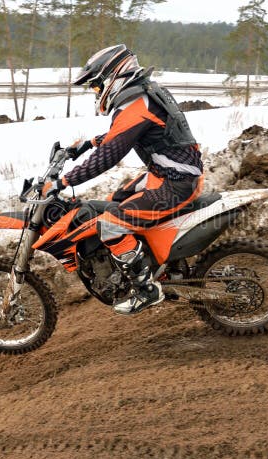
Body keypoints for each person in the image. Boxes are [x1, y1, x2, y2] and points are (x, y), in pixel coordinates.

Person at [43, 44, 204, 315]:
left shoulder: (136, 104)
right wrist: (87, 144)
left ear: (113, 76)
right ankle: (154, 263)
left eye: (97, 86)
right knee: (114, 201)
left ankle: (146, 290)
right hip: (168, 174)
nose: (97, 92)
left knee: (110, 224)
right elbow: (125, 133)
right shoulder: (144, 94)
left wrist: (64, 182)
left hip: (175, 183)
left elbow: (109, 155)